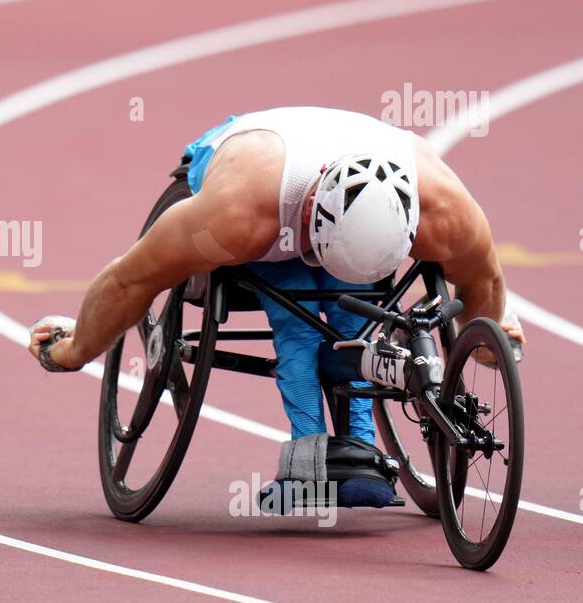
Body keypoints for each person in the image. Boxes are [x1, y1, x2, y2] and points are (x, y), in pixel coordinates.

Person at [27, 106, 524, 508]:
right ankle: (308, 459)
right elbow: (128, 279)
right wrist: (75, 350)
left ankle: (360, 454)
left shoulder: (445, 212)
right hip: (265, 179)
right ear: (311, 214)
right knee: (298, 325)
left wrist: (483, 343)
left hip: (363, 199)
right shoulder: (236, 212)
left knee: (356, 318)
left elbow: (485, 283)